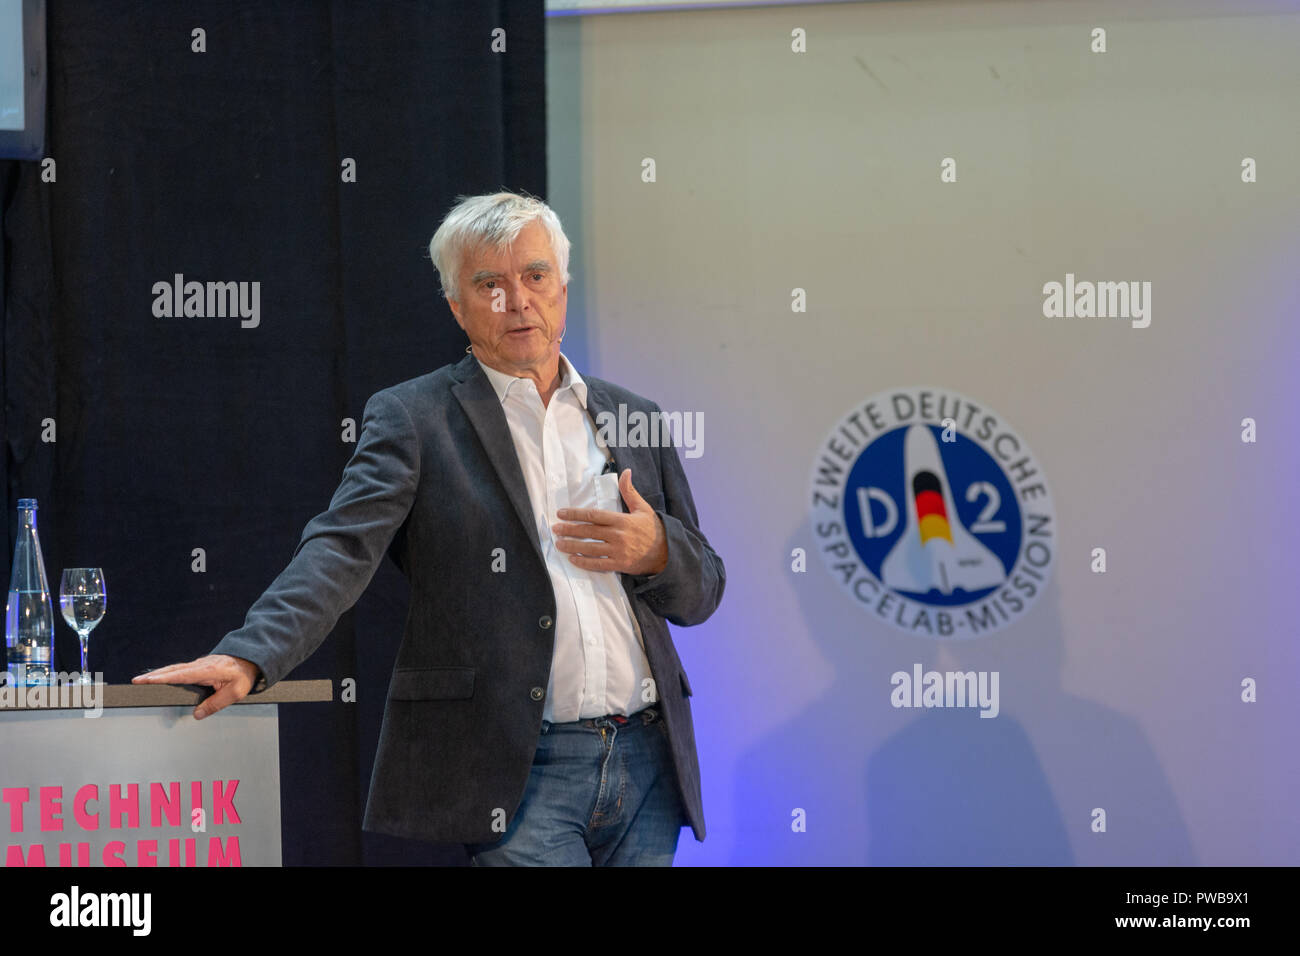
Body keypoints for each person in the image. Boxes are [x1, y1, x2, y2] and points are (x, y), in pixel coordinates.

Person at [134, 192, 726, 866]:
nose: (517, 301)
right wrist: (251, 654)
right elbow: (338, 549)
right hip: (517, 770)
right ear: (456, 307)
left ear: (562, 286)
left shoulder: (632, 415)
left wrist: (658, 553)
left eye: (534, 276)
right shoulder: (415, 418)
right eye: (489, 284)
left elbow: (704, 591)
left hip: (648, 763)